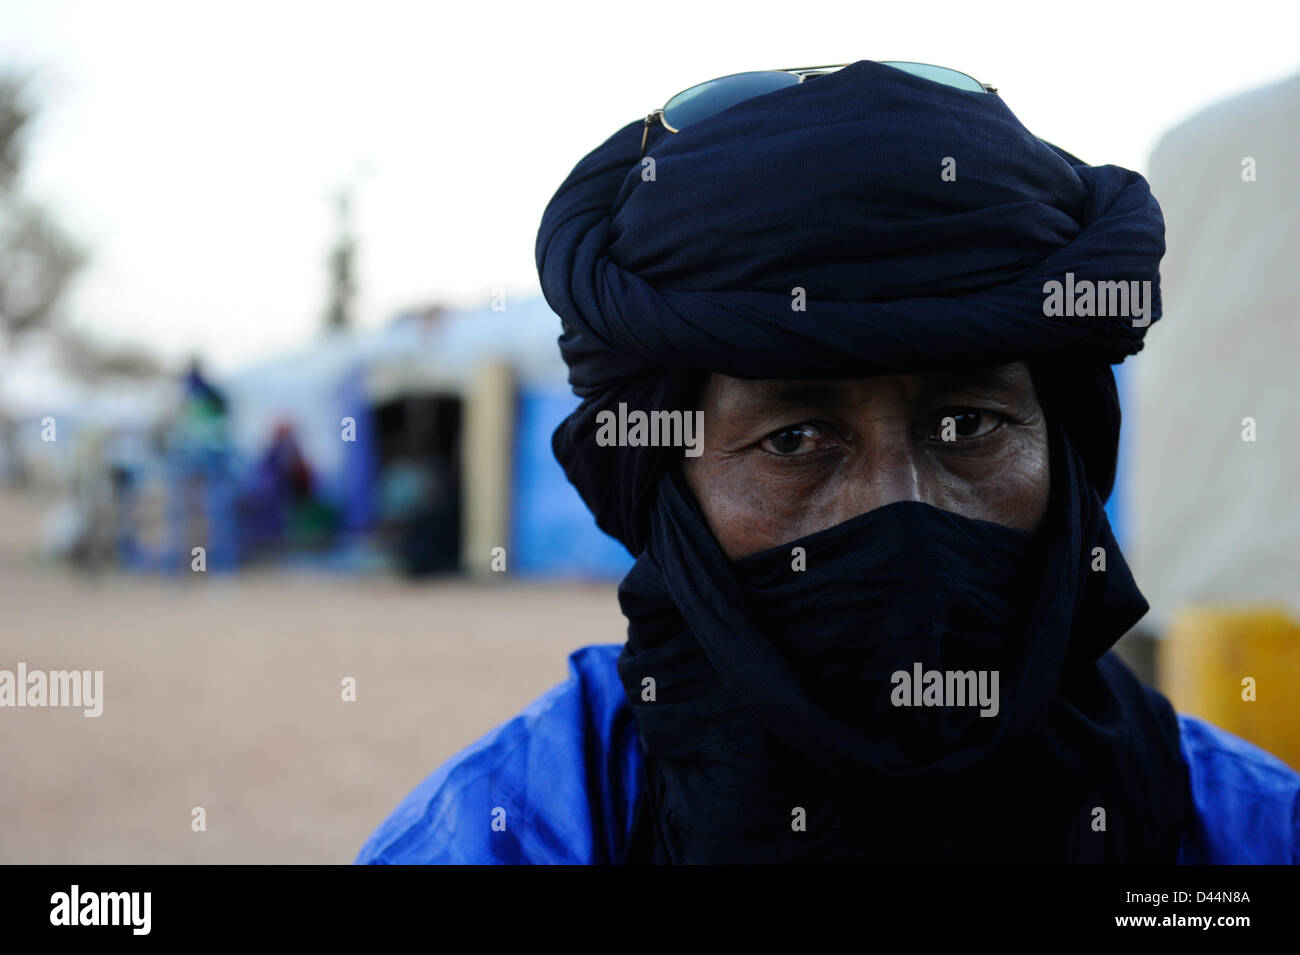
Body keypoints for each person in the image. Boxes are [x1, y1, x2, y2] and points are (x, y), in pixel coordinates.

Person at [357, 60, 1299, 864]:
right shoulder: (512, 834)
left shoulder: (1246, 831)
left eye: (968, 423)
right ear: (667, 490)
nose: (901, 504)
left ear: (1067, 449)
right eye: (795, 441)